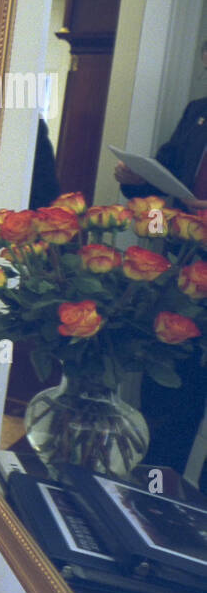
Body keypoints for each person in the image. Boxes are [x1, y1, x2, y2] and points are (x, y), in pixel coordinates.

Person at [114, 63, 207, 482]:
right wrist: (135, 182)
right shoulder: (196, 113)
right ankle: (155, 494)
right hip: (178, 280)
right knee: (166, 393)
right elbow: (164, 179)